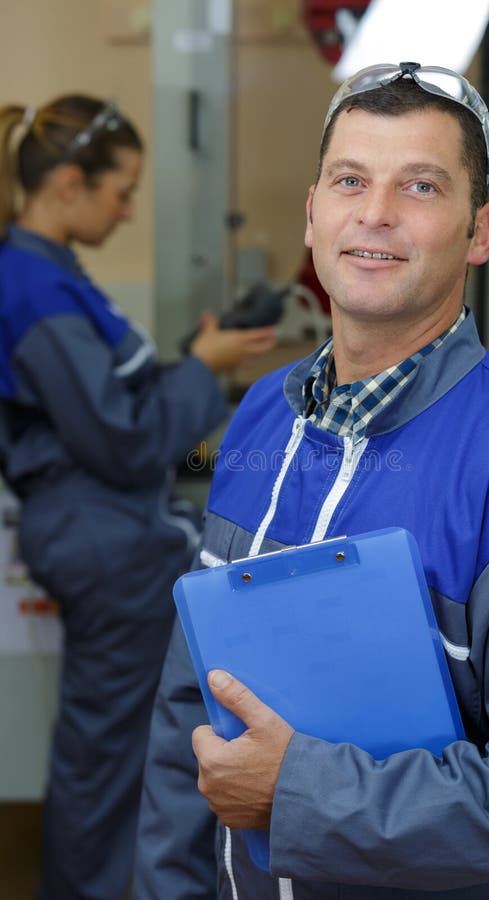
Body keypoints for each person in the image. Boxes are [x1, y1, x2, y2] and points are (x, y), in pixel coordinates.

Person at [134, 63, 489, 900]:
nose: (375, 213)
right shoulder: (258, 428)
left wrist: (304, 794)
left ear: (479, 230)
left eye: (421, 186)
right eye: (351, 180)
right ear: (312, 212)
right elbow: (187, 714)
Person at [0, 94, 277, 900]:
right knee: (107, 761)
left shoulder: (54, 276)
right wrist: (202, 367)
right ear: (71, 184)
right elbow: (121, 443)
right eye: (121, 193)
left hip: (109, 528)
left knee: (111, 751)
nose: (126, 212)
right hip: (101, 536)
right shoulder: (30, 289)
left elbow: (109, 407)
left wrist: (196, 358)